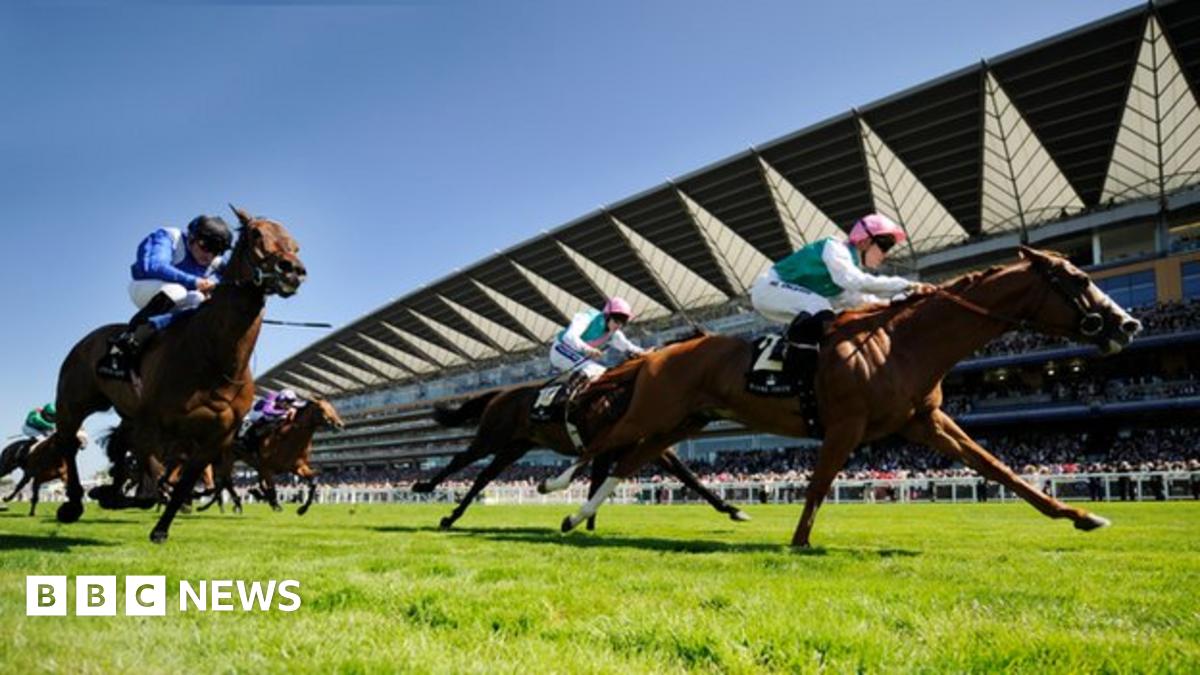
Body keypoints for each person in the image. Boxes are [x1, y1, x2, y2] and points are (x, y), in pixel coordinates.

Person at [749, 213, 927, 372]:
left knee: (831, 315)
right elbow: (855, 281)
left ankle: (787, 356)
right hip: (768, 288)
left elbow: (867, 301)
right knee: (820, 307)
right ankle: (789, 357)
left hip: (783, 299)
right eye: (885, 245)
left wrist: (907, 299)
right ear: (864, 241)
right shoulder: (835, 247)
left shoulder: (846, 268)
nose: (885, 254)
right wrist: (906, 285)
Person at [97, 214, 233, 381]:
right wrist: (194, 281)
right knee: (177, 291)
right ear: (192, 236)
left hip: (177, 300)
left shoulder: (216, 262)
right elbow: (153, 265)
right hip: (146, 288)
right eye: (205, 246)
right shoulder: (170, 237)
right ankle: (124, 345)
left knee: (199, 300)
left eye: (217, 251)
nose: (209, 255)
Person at [548, 297, 646, 381]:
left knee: (600, 371)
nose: (619, 325)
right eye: (617, 320)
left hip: (576, 355)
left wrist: (645, 353)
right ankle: (566, 393)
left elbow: (627, 346)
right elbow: (569, 337)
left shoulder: (613, 332)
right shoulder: (587, 317)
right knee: (594, 369)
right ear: (607, 315)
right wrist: (588, 349)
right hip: (560, 349)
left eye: (623, 322)